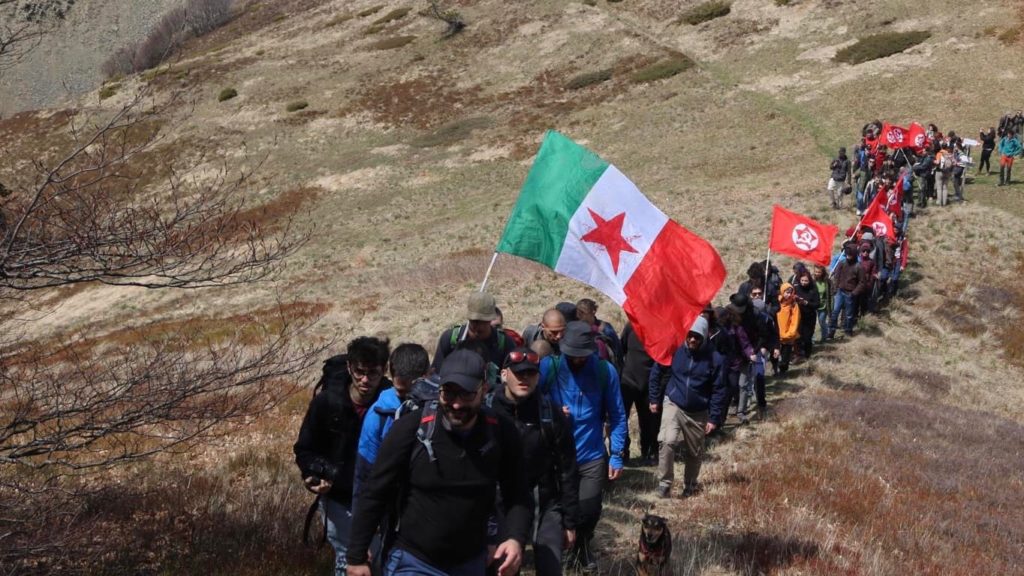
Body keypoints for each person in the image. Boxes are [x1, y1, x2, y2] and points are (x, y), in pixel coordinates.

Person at [346, 350, 531, 576]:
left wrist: (515, 538)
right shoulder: (411, 429)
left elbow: (518, 493)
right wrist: (356, 556)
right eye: (449, 394)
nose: (456, 405)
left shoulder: (500, 431)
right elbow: (375, 490)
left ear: (483, 389)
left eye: (466, 395)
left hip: (471, 561)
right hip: (414, 559)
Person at [294, 337, 392, 576]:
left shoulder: (392, 403)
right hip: (338, 499)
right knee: (350, 563)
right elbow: (305, 449)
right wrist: (314, 474)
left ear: (384, 370)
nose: (365, 380)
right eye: (359, 372)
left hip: (382, 500)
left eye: (373, 373)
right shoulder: (327, 402)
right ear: (349, 367)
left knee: (380, 563)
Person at [539, 321, 628, 572]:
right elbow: (532, 400)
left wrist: (617, 454)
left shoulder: (604, 372)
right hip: (557, 455)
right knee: (559, 510)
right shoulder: (550, 367)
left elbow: (618, 416)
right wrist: (552, 410)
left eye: (581, 355)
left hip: (591, 454)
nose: (576, 360)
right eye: (571, 355)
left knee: (589, 509)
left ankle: (583, 545)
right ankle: (566, 552)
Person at [488, 348, 580, 576]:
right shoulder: (485, 411)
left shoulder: (551, 414)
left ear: (538, 377)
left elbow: (567, 469)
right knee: (502, 569)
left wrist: (569, 522)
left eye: (530, 374)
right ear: (504, 375)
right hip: (499, 502)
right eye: (518, 373)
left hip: (544, 499)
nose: (524, 379)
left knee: (550, 567)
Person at [648, 316, 727, 498]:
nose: (692, 340)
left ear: (705, 337)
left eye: (697, 337)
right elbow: (657, 370)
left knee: (695, 450)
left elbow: (719, 390)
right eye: (690, 335)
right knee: (667, 441)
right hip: (674, 402)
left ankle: (690, 484)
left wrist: (714, 417)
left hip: (698, 409)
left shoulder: (715, 359)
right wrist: (653, 398)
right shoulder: (675, 349)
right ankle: (665, 483)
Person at [353, 343, 430, 501]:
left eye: (413, 392)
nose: (409, 400)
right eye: (401, 393)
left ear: (427, 376)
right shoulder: (379, 413)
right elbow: (364, 473)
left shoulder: (445, 407)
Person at [432, 291, 516, 373]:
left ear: (491, 319)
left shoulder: (504, 343)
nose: (479, 326)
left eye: (484, 321)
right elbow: (436, 375)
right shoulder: (451, 339)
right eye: (475, 321)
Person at [619, 322, 660, 465]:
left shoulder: (661, 328)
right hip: (628, 380)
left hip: (650, 383)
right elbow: (621, 349)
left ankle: (648, 453)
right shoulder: (631, 326)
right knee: (621, 418)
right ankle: (622, 453)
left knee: (649, 421)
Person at [828, 243, 869, 338]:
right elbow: (836, 277)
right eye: (847, 254)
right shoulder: (841, 263)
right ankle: (831, 331)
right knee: (835, 312)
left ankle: (848, 330)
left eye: (851, 254)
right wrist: (835, 288)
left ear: (855, 254)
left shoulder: (859, 267)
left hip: (850, 293)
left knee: (849, 314)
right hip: (840, 291)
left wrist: (854, 293)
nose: (848, 256)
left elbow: (862, 282)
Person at [575, 298, 622, 364]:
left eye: (582, 313)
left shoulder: (606, 329)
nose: (579, 316)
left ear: (593, 312)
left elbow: (617, 351)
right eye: (578, 312)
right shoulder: (575, 329)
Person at [793, 269, 819, 361]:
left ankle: (807, 355)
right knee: (798, 336)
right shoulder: (796, 288)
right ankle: (798, 354)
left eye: (806, 281)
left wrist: (806, 303)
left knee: (807, 338)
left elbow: (817, 304)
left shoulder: (813, 289)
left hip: (810, 317)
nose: (804, 283)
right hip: (798, 316)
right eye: (802, 280)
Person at [776, 283, 800, 374]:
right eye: (786, 292)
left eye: (790, 292)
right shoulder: (777, 302)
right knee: (776, 353)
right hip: (777, 333)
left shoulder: (793, 304)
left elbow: (795, 320)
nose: (788, 295)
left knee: (786, 353)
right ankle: (775, 368)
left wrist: (791, 333)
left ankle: (783, 369)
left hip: (788, 334)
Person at [812, 265, 832, 345]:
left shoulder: (827, 282)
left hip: (823, 305)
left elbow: (830, 294)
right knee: (812, 323)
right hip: (813, 304)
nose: (817, 273)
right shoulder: (812, 281)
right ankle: (812, 339)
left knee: (821, 321)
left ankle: (824, 337)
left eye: (819, 272)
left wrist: (830, 305)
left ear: (822, 272)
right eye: (816, 272)